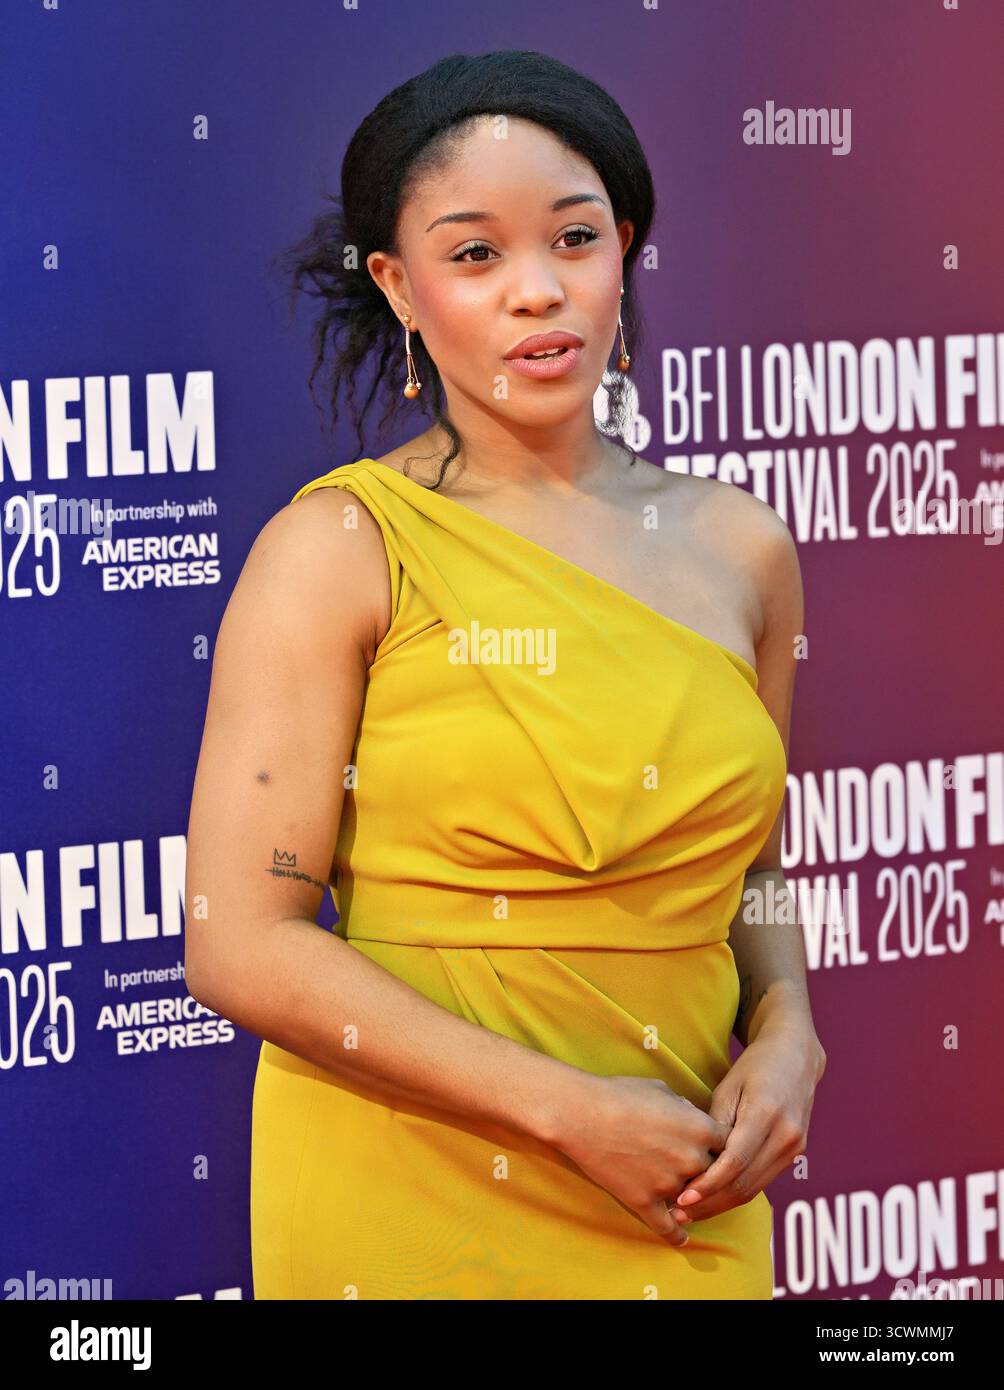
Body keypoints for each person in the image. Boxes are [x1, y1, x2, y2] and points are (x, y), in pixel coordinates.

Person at [184, 49, 826, 1300]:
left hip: (686, 1196)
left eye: (574, 239)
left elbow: (751, 867)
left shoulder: (738, 545)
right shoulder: (339, 547)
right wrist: (570, 1112)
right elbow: (239, 944)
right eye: (474, 255)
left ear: (622, 249)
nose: (539, 292)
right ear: (400, 285)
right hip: (421, 1187)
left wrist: (789, 1028)